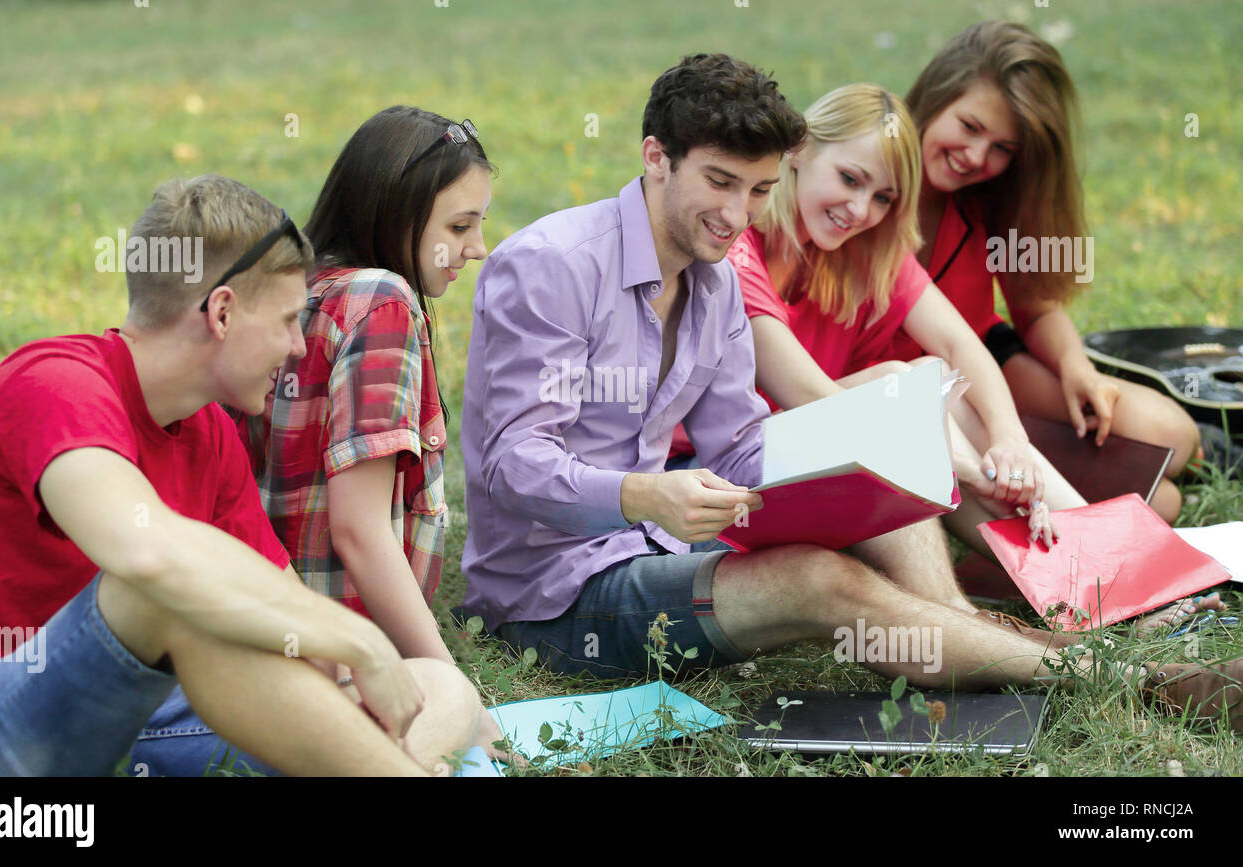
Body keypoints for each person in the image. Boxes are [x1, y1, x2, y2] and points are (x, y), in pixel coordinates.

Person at [457, 53, 1242, 731]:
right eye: (719, 182)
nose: (737, 215)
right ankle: (1113, 678)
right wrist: (641, 494)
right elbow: (510, 468)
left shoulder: (715, 276)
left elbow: (737, 442)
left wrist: (879, 445)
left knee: (884, 479)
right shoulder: (554, 266)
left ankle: (977, 636)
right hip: (555, 594)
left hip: (668, 537)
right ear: (656, 157)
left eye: (759, 191)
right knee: (817, 577)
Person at [0, 174, 480, 776]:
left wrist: (345, 671)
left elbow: (293, 633)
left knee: (440, 687)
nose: (298, 349)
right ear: (222, 312)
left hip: (147, 725)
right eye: (285, 321)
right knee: (164, 594)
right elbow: (147, 558)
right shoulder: (55, 386)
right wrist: (358, 640)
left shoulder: (211, 435)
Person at [132, 108, 510, 774]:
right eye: (459, 227)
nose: (476, 248)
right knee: (446, 701)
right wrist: (461, 692)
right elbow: (360, 533)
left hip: (250, 638)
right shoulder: (381, 300)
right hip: (325, 649)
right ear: (396, 217)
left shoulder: (288, 292)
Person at [706, 82, 1082, 556]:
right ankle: (1079, 568)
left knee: (934, 376)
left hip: (817, 446)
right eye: (850, 178)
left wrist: (1011, 445)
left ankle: (1098, 560)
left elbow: (960, 346)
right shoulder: (737, 252)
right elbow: (809, 397)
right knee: (898, 386)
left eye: (883, 197)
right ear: (798, 151)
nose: (862, 210)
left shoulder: (867, 249)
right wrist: (970, 471)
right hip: (727, 471)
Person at [888, 20, 1200, 523]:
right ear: (934, 99)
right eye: (969, 127)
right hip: (904, 378)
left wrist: (1076, 366)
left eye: (1002, 148)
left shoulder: (992, 195)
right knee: (1160, 502)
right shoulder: (865, 185)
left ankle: (1053, 465)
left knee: (1174, 435)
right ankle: (1051, 487)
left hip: (982, 359)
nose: (975, 157)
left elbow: (1034, 307)